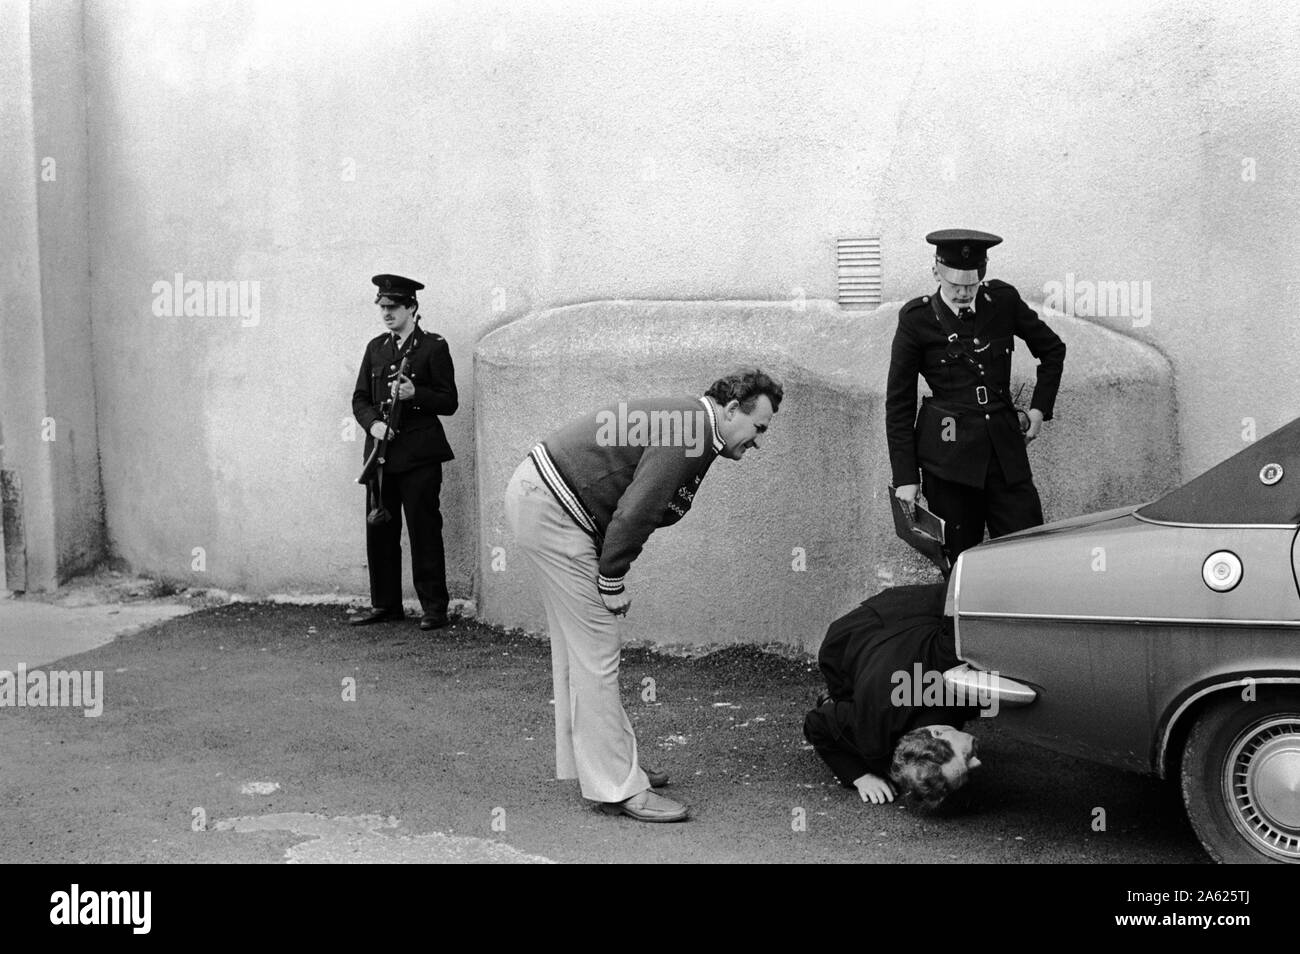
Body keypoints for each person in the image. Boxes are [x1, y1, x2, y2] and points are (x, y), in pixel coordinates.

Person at [504, 370, 783, 823]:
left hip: (543, 500)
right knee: (596, 645)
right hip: (551, 509)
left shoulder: (694, 423)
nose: (757, 442)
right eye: (758, 428)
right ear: (733, 410)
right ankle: (617, 786)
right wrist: (611, 581)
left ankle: (608, 764)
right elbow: (637, 513)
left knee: (583, 648)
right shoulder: (690, 430)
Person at [886, 230, 1066, 563]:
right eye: (956, 286)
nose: (964, 293)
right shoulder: (916, 320)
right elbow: (899, 403)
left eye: (971, 285)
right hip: (949, 466)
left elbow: (1053, 350)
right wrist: (906, 478)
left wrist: (1040, 409)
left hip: (1005, 457)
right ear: (936, 272)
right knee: (960, 566)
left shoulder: (1003, 301)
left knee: (1028, 556)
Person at [803, 583, 982, 808]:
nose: (978, 762)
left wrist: (859, 774)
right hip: (888, 651)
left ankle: (838, 700)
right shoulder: (880, 736)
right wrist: (861, 776)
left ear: (937, 734)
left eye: (966, 761)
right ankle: (843, 701)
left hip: (884, 618)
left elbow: (816, 724)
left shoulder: (873, 734)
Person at [350, 273, 458, 631]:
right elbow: (361, 399)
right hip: (381, 454)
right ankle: (386, 605)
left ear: (412, 306)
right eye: (382, 306)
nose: (386, 312)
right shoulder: (376, 348)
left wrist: (417, 395)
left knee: (424, 529)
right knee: (380, 528)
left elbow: (449, 402)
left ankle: (434, 608)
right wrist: (373, 425)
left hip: (419, 456)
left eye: (393, 306)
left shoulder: (432, 347)